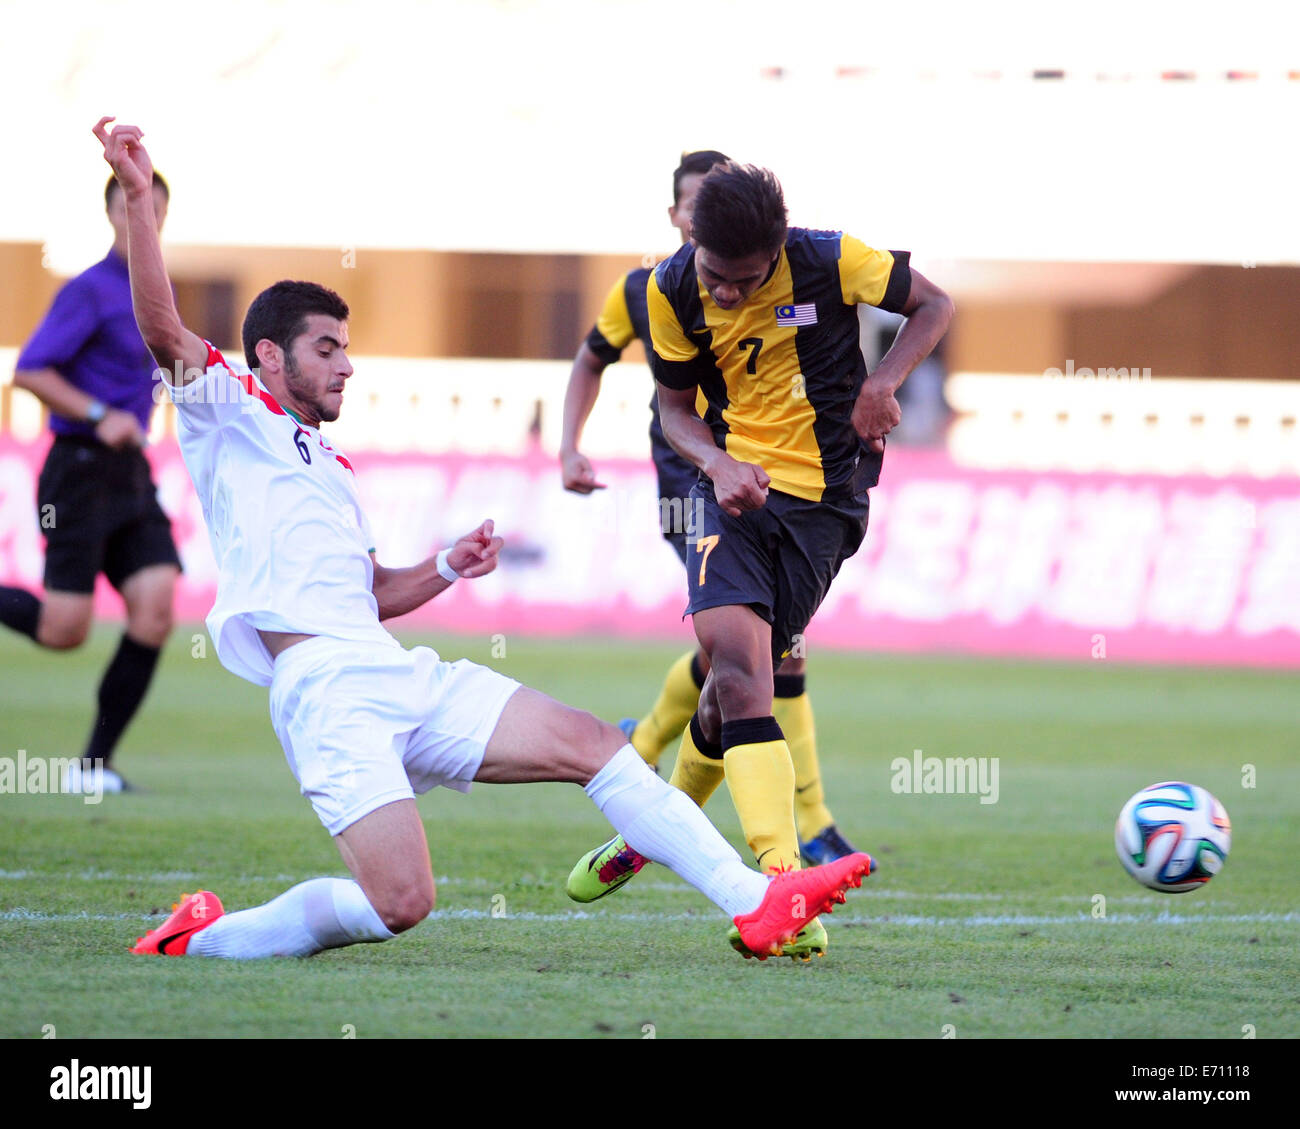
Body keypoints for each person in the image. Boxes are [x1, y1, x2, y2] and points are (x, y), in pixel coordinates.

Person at [93, 117, 873, 963]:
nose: (347, 365)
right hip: (324, 691)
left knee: (596, 743)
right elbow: (162, 329)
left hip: (391, 666)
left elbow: (372, 594)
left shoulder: (330, 465)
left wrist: (443, 566)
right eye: (328, 349)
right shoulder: (228, 411)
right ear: (269, 357)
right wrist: (140, 200)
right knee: (402, 901)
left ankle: (759, 901)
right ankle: (196, 945)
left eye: (348, 348)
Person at [566, 161, 953, 953]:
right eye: (717, 275)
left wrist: (886, 382)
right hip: (727, 492)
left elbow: (934, 305)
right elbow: (675, 412)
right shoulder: (669, 288)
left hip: (825, 505)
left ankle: (653, 828)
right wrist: (716, 464)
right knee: (742, 668)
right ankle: (781, 885)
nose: (728, 294)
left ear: (777, 247)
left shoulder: (831, 258)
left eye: (745, 280)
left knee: (723, 690)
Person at [1, 165, 179, 793]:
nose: (145, 222)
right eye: (134, 210)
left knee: (156, 607)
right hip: (77, 472)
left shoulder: (157, 293)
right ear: (113, 214)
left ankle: (92, 768)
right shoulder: (90, 292)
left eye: (154, 213)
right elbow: (30, 369)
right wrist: (100, 414)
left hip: (132, 475)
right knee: (63, 630)